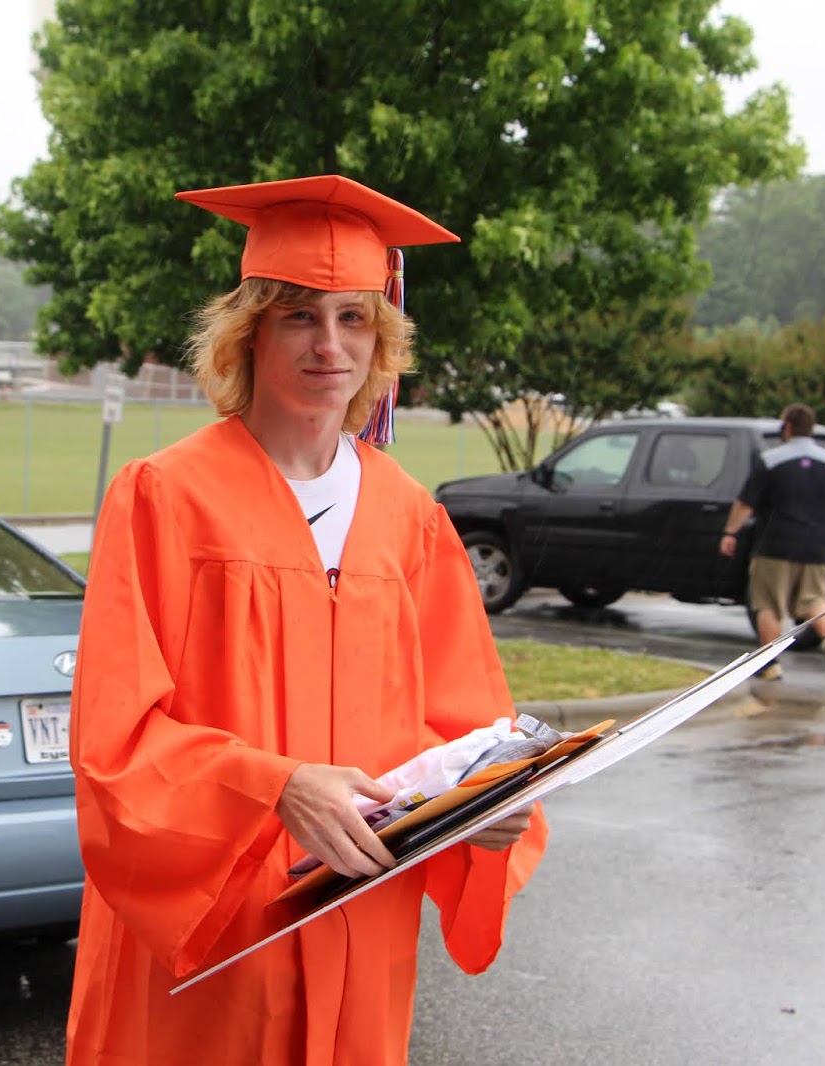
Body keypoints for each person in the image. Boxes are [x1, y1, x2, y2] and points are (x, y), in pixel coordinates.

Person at [65, 174, 548, 1066]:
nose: (330, 345)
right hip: (210, 944)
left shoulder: (411, 519)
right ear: (249, 332)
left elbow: (463, 726)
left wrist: (484, 807)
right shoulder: (165, 499)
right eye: (299, 316)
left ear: (382, 339)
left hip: (360, 925)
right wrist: (273, 785)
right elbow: (113, 741)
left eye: (354, 318)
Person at [718, 403, 825, 680]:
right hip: (818, 545)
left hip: (775, 545)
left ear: (788, 427)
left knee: (768, 603)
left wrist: (730, 532)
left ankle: (770, 664)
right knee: (817, 598)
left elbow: (745, 503)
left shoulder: (771, 460)